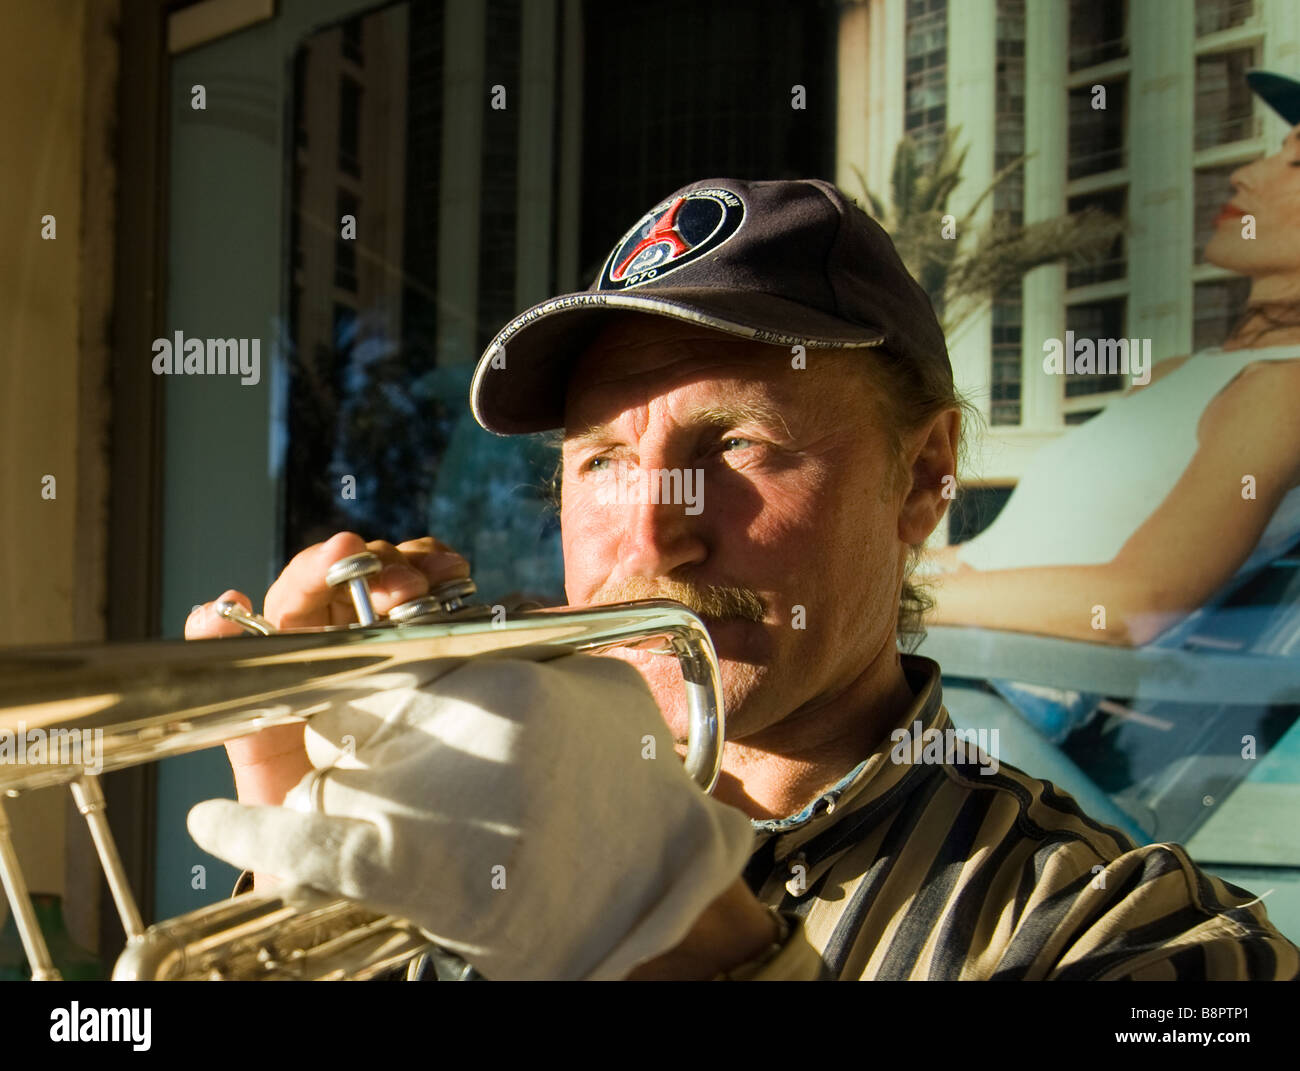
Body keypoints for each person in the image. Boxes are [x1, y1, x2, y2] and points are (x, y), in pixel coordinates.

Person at [185, 175, 1299, 979]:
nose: (652, 542)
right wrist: (295, 821)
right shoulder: (441, 834)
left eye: (736, 447)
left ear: (924, 478)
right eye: (604, 462)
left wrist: (695, 948)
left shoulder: (1128, 934)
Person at [924, 69, 1300, 650]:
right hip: (955, 661)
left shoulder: (1282, 389)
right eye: (1276, 153)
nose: (1244, 174)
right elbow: (988, 561)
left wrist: (880, 598)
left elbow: (1136, 602)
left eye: (1297, 165)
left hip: (997, 687)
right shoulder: (1181, 373)